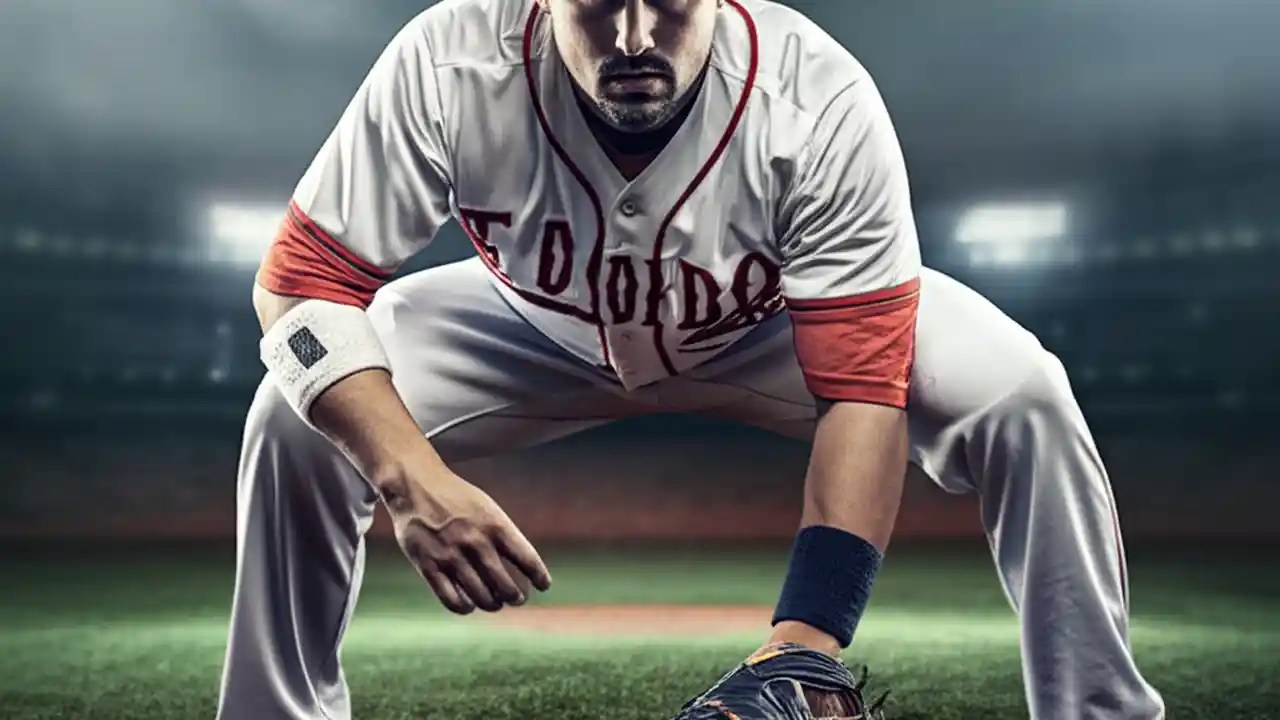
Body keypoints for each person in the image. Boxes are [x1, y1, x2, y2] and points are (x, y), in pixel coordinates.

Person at [215, 0, 1165, 718]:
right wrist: (411, 478)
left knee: (1023, 396)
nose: (634, 33)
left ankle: (1100, 710)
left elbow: (864, 393)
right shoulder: (449, 59)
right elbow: (299, 285)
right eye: (597, 0)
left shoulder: (817, 98)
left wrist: (808, 638)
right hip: (523, 326)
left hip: (770, 327)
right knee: (292, 411)